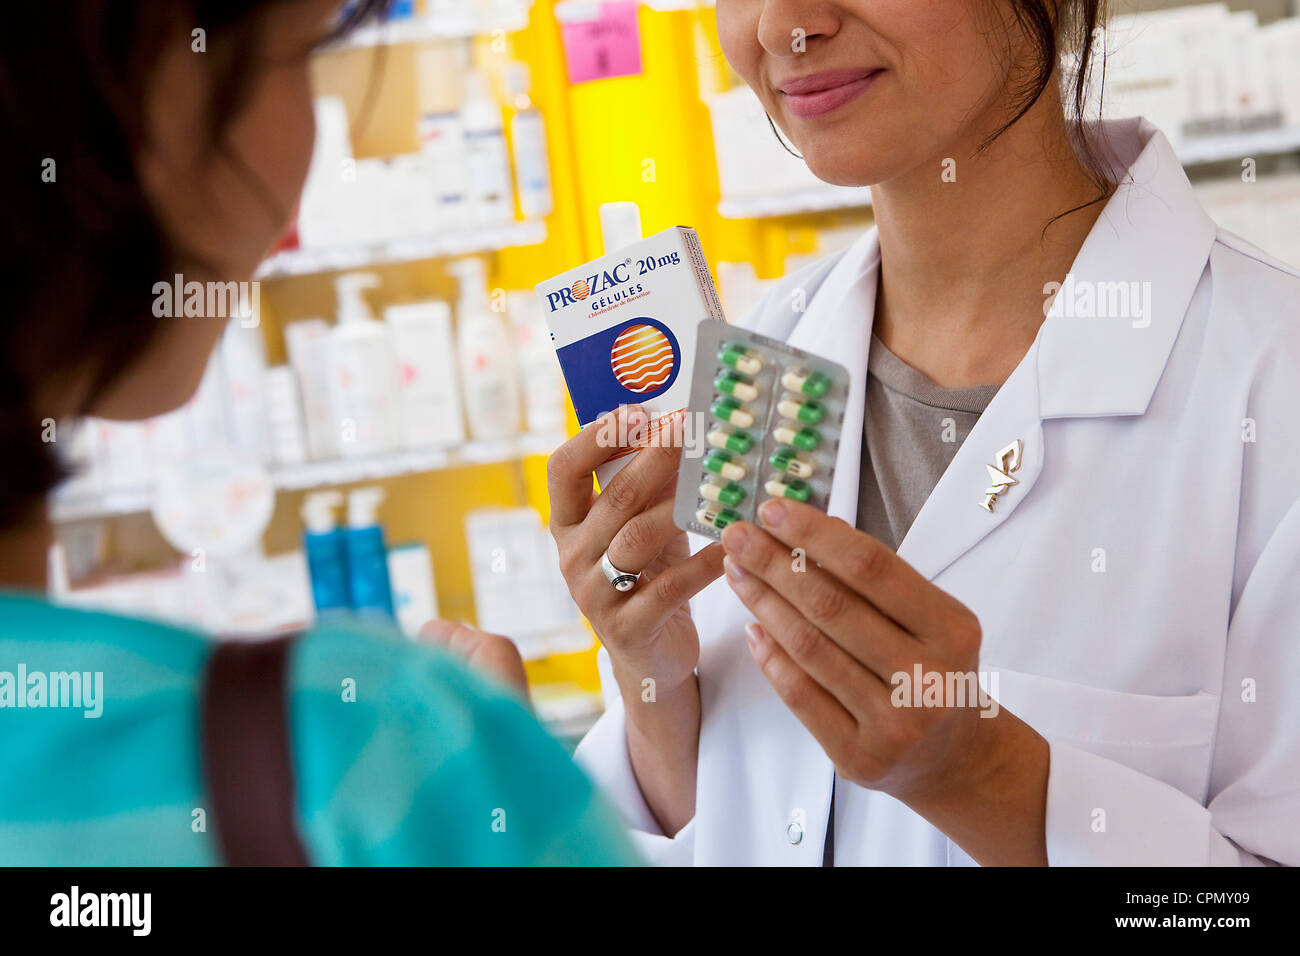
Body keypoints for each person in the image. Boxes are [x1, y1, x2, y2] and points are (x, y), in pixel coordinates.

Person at [551, 0, 1300, 865]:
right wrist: (656, 684)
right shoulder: (761, 355)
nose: (784, 24)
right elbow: (724, 819)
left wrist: (981, 774)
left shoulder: (1269, 386)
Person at [0, 0, 637, 866]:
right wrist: (478, 789)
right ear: (147, 78)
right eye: (304, 53)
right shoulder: (363, 759)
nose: (302, 159)